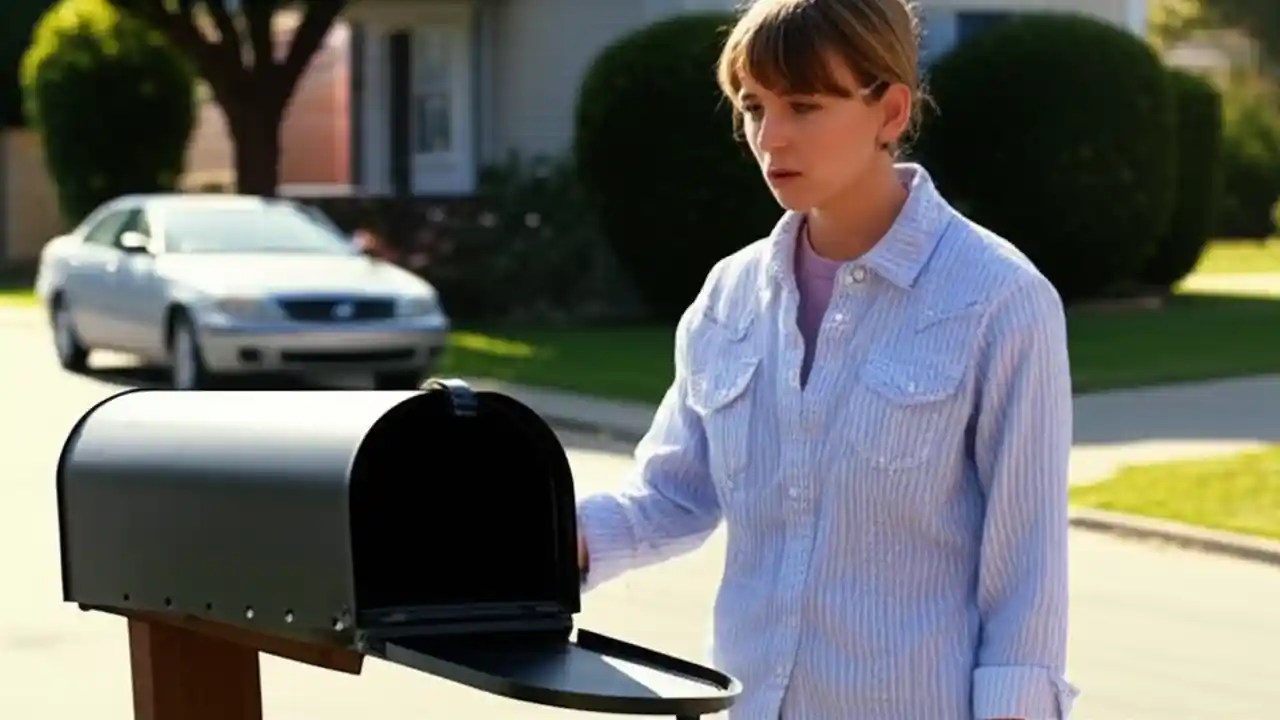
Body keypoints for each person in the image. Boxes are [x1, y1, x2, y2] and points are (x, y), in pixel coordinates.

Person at [574, 1, 1078, 718]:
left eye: (805, 106)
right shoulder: (731, 294)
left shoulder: (999, 300)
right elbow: (672, 496)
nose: (770, 137)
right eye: (753, 107)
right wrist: (541, 542)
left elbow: (1027, 578)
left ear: (890, 111)